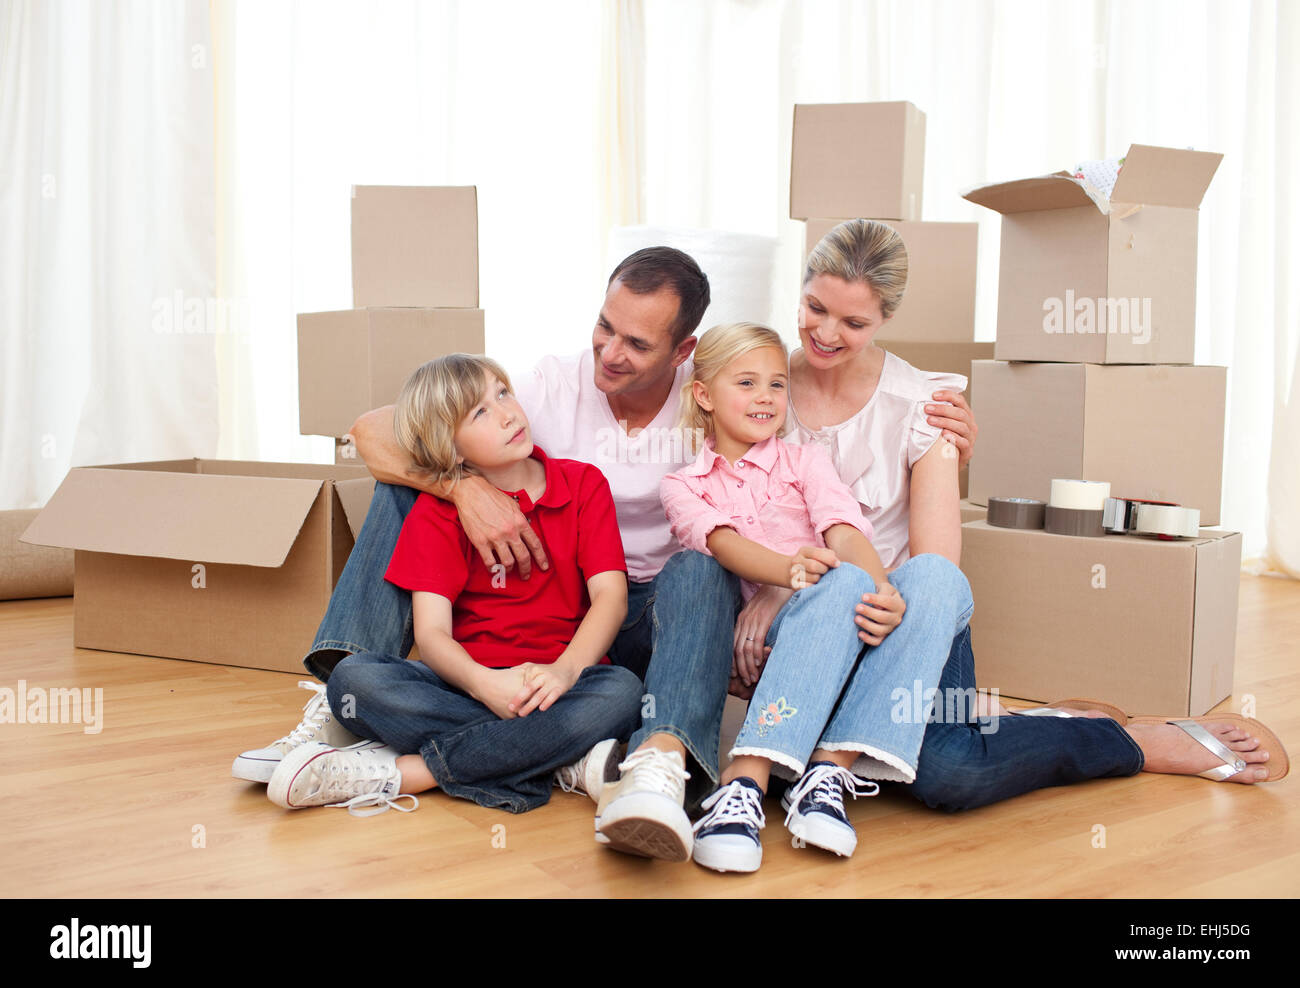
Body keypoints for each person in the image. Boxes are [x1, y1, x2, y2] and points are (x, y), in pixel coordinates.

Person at [232, 245, 983, 859]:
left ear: (685, 353)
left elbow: (804, 472)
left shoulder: (717, 390)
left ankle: (658, 757)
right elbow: (375, 432)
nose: (610, 353)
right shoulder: (545, 387)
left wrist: (937, 429)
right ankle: (342, 706)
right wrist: (463, 487)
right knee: (410, 485)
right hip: (544, 598)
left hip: (649, 612)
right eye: (604, 326)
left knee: (696, 567)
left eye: (637, 342)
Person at [735, 219, 1285, 819]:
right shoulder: (758, 386)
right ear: (802, 288)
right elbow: (723, 502)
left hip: (899, 620)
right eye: (815, 307)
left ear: (887, 318)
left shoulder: (925, 405)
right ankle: (1016, 717)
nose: (826, 333)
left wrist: (825, 586)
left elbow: (935, 574)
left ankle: (1132, 742)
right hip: (802, 624)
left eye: (854, 322)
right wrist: (771, 586)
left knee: (949, 772)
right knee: (787, 765)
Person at [264, 354, 642, 815]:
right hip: (469, 684)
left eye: (502, 393)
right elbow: (432, 635)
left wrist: (564, 671)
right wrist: (485, 685)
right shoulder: (437, 513)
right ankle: (560, 759)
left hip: (566, 682)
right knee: (353, 679)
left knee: (621, 691)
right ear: (452, 448)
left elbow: (611, 597)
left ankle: (404, 773)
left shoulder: (583, 484)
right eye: (479, 412)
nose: (506, 413)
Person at [658, 323, 973, 872]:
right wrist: (790, 571)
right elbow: (724, 544)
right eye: (747, 383)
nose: (765, 397)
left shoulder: (805, 461)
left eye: (778, 385)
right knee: (840, 580)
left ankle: (827, 773)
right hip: (782, 625)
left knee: (935, 579)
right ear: (704, 394)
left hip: (844, 612)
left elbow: (845, 530)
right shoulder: (684, 484)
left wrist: (882, 591)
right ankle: (744, 786)